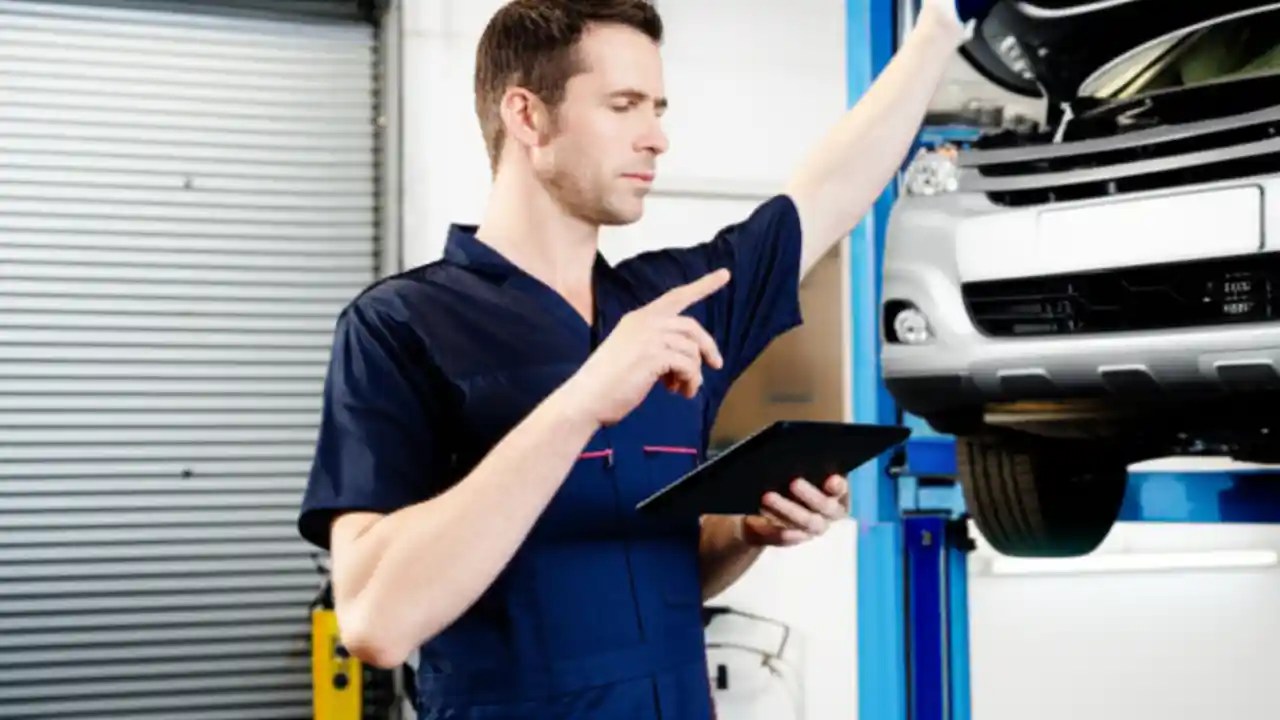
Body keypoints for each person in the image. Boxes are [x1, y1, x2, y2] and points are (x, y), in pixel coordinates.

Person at [297, 0, 973, 716]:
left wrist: (939, 28)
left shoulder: (669, 309)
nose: (656, 139)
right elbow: (375, 621)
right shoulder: (400, 326)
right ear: (527, 116)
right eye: (624, 106)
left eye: (658, 107)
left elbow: (828, 195)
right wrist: (583, 400)